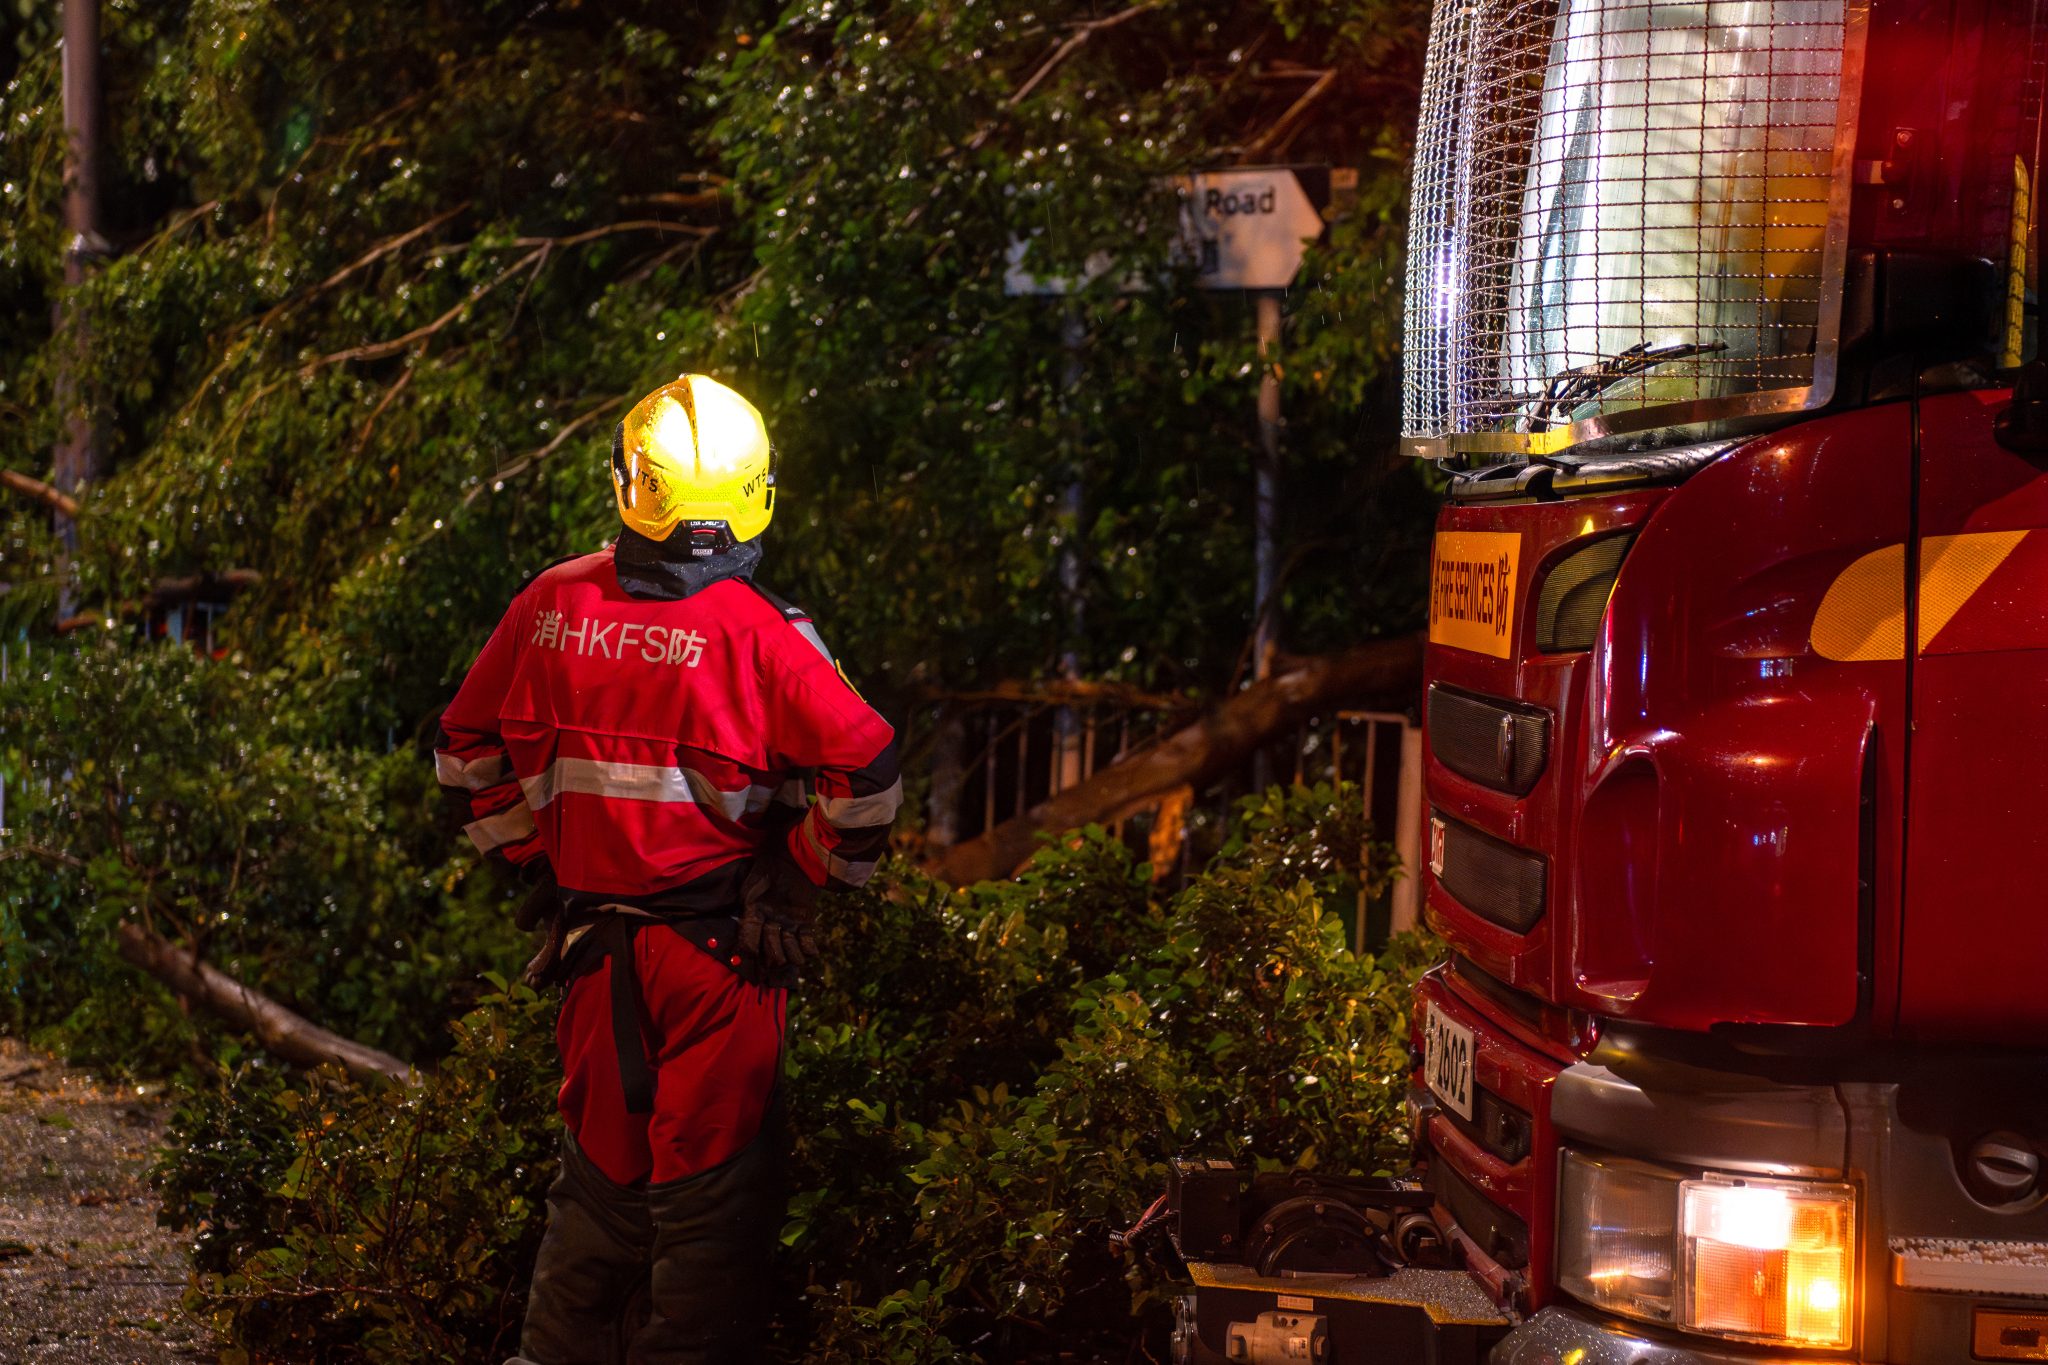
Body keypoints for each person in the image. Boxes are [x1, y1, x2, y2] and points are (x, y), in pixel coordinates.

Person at [435, 373, 901, 1364]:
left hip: (593, 959)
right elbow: (865, 777)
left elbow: (461, 752)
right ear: (753, 496)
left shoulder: (549, 604)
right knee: (708, 1226)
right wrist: (801, 877)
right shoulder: (763, 633)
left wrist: (530, 864)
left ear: (628, 486)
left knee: (595, 1200)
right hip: (721, 964)